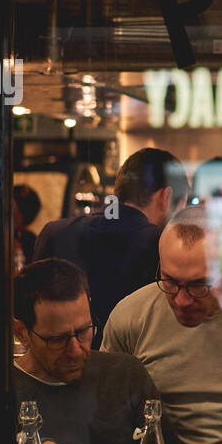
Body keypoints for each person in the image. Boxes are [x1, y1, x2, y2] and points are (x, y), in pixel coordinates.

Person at [0, 259, 158, 444]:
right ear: (22, 334)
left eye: (84, 331)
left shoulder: (126, 374)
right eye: (57, 339)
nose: (76, 350)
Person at [101, 206, 222, 444]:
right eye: (171, 281)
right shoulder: (131, 317)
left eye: (200, 285)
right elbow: (107, 414)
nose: (182, 300)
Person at [34, 147, 190, 347]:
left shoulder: (54, 233)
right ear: (166, 197)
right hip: (135, 372)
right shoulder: (161, 246)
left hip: (58, 370)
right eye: (182, 205)